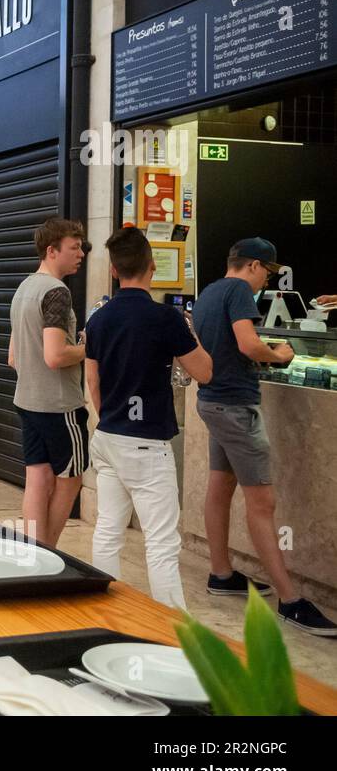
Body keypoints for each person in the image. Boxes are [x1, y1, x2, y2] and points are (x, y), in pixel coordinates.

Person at [193, 237, 335, 635]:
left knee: (219, 488)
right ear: (254, 266)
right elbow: (248, 344)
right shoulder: (239, 291)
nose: (265, 284)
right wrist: (280, 354)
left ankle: (221, 574)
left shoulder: (208, 292)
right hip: (236, 408)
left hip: (213, 401)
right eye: (267, 275)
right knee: (263, 502)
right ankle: (291, 601)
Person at [84, 227, 213, 609]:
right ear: (152, 267)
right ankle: (174, 633)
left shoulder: (98, 319)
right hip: (147, 444)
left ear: (112, 270)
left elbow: (93, 380)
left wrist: (109, 414)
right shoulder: (166, 318)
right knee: (161, 543)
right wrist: (191, 333)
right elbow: (203, 372)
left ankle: (102, 615)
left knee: (108, 531)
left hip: (108, 435)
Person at [8, 218, 88, 545]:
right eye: (74, 247)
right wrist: (88, 347)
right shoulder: (57, 292)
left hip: (26, 400)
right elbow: (55, 356)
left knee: (37, 479)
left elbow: (13, 357)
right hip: (59, 406)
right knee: (71, 480)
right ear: (52, 251)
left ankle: (33, 554)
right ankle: (50, 553)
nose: (81, 254)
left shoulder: (24, 287)